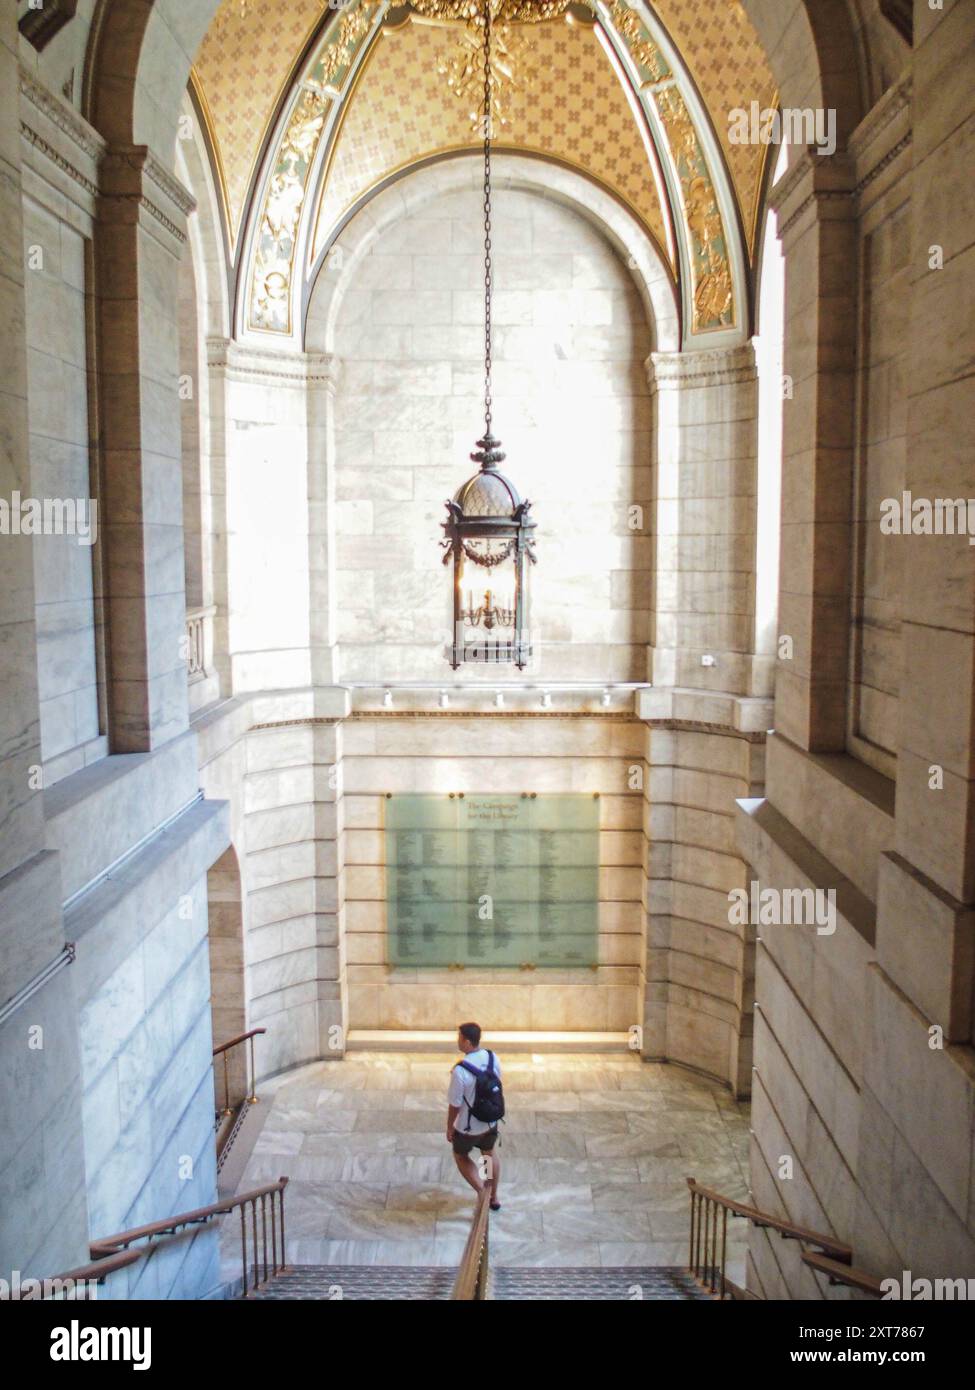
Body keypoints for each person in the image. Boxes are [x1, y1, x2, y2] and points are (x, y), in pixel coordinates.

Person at [446, 1022, 502, 1211]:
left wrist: (449, 1127)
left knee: (460, 1154)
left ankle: (481, 1191)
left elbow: (455, 1104)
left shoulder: (460, 1071)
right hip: (491, 1121)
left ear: (468, 1042)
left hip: (468, 1127)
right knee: (488, 1153)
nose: (458, 1041)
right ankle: (493, 1196)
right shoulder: (492, 1057)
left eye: (459, 1037)